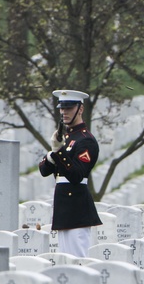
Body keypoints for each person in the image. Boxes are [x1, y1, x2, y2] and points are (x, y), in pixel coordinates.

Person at [38, 89, 102, 257]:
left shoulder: (85, 140)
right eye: (62, 108)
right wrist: (53, 155)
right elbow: (43, 170)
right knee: (65, 260)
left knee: (77, 259)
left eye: (69, 108)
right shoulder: (65, 138)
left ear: (80, 109)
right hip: (63, 207)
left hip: (77, 207)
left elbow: (76, 175)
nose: (64, 112)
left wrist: (59, 152)